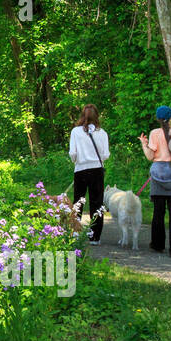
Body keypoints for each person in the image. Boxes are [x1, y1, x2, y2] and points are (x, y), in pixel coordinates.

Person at [139, 106, 171, 257]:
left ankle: (157, 244)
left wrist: (143, 144)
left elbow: (150, 157)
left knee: (158, 212)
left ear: (157, 118)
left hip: (158, 176)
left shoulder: (154, 133)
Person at [68, 104, 110, 244]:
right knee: (96, 203)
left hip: (80, 170)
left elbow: (73, 153)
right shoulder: (102, 133)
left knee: (78, 202)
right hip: (97, 169)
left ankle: (75, 233)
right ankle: (94, 236)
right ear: (97, 116)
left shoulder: (76, 132)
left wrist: (77, 161)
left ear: (82, 115)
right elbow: (105, 155)